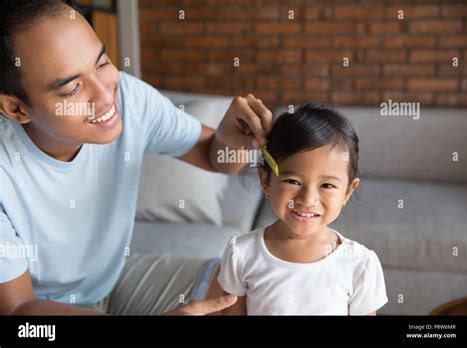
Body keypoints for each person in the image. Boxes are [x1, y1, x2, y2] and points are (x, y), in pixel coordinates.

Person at [0, 0, 272, 315]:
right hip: (40, 311)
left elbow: (214, 157)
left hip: (111, 282)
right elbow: (20, 315)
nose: (105, 96)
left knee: (250, 291)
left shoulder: (130, 98)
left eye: (101, 64)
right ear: (16, 109)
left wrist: (230, 137)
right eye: (72, 88)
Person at [217, 102, 388, 315]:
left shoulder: (359, 263)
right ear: (265, 180)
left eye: (326, 185)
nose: (308, 199)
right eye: (292, 181)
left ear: (347, 191)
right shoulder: (241, 253)